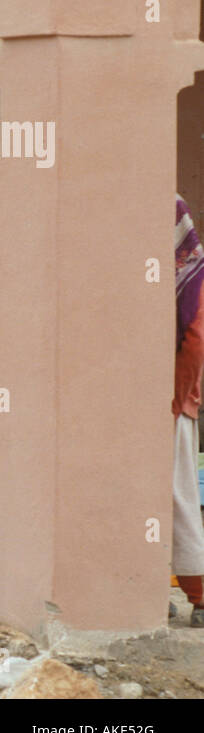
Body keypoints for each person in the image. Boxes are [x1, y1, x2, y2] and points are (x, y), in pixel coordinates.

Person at [171, 194, 204, 626]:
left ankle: (199, 594)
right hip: (151, 394)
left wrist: (178, 395)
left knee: (176, 493)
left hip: (169, 397)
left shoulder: (190, 280)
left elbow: (195, 334)